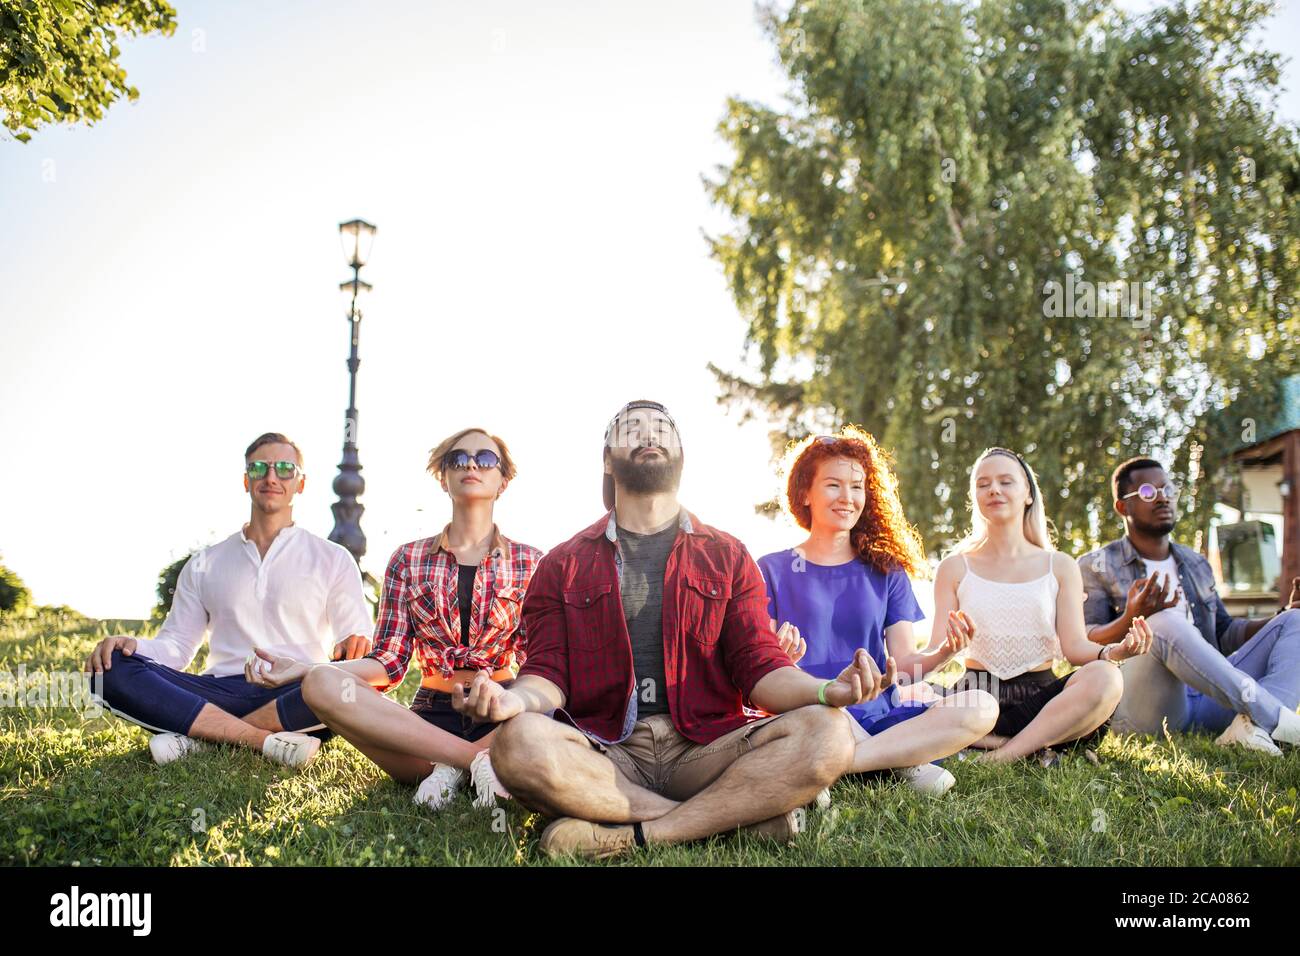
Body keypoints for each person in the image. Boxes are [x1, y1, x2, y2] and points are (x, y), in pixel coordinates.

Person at [451, 400, 885, 859]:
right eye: (632, 428)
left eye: (662, 428)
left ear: (680, 454)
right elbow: (548, 674)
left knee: (829, 733)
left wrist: (825, 693)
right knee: (517, 742)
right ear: (607, 458)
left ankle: (636, 834)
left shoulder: (728, 554)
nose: (648, 435)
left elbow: (761, 668)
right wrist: (512, 700)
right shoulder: (562, 564)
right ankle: (728, 819)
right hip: (607, 753)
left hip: (707, 747)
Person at [248, 428, 542, 809]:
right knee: (321, 683)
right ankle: (470, 762)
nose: (471, 464)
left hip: (502, 711)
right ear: (443, 477)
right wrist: (305, 669)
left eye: (485, 459)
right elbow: (389, 662)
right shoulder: (408, 559)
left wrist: (512, 701)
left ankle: (454, 766)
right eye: (458, 459)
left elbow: (540, 662)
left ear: (503, 481)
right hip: (427, 722)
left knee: (556, 697)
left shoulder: (532, 562)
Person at [86, 432, 374, 768]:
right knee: (110, 671)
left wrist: (353, 645)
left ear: (301, 483)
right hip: (217, 692)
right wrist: (130, 645)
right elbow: (176, 647)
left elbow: (356, 646)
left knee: (346, 688)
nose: (271, 477)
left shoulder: (333, 558)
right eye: (259, 469)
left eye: (284, 469)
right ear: (245, 479)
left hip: (297, 693)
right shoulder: (205, 562)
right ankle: (261, 741)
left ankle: (202, 738)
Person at [758, 428, 999, 796]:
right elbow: (762, 671)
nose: (848, 497)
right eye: (833, 485)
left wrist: (946, 652)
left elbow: (904, 667)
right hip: (811, 710)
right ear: (804, 493)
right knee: (826, 720)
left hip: (879, 717)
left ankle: (836, 766)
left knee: (980, 705)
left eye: (857, 486)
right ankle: (896, 761)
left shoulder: (886, 571)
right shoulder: (771, 569)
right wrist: (779, 657)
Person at [932, 447, 1153, 764]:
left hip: (1041, 702)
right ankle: (1035, 747)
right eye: (983, 484)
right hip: (973, 698)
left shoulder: (1060, 566)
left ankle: (1001, 754)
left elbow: (1076, 647)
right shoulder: (953, 568)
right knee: (913, 694)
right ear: (974, 497)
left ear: (1028, 494)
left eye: (1006, 481)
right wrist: (947, 649)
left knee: (1106, 678)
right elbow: (934, 655)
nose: (994, 489)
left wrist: (1112, 653)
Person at [1079, 456, 1300, 754]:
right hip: (1148, 706)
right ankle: (1277, 720)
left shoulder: (1196, 563)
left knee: (1295, 622)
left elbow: (1225, 632)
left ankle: (1254, 730)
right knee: (1162, 624)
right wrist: (1131, 618)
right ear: (1122, 506)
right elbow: (1083, 643)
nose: (1162, 498)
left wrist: (1283, 616)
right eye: (1147, 492)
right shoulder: (1095, 565)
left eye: (1168, 489)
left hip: (1210, 698)